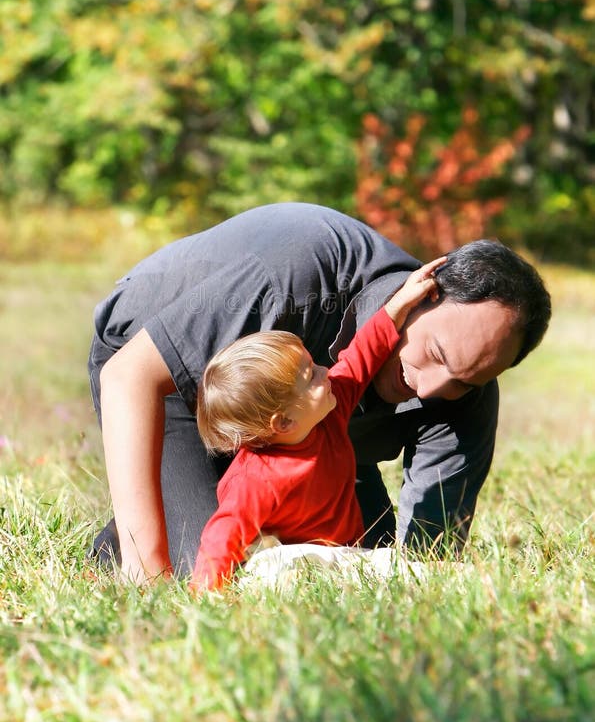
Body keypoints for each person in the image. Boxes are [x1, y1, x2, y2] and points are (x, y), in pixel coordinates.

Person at [88, 202, 551, 582]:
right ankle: (138, 529)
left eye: (465, 381)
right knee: (218, 572)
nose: (430, 389)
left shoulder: (468, 388)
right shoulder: (294, 276)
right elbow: (128, 376)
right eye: (437, 354)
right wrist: (146, 570)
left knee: (361, 569)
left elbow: (426, 560)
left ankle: (189, 497)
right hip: (168, 381)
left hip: (309, 437)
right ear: (425, 291)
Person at [192, 259, 445, 590]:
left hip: (348, 554)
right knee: (272, 567)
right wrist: (207, 595)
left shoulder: (326, 413)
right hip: (304, 567)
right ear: (283, 421)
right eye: (311, 375)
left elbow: (360, 356)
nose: (326, 372)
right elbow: (222, 537)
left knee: (386, 565)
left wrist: (398, 305)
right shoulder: (256, 479)